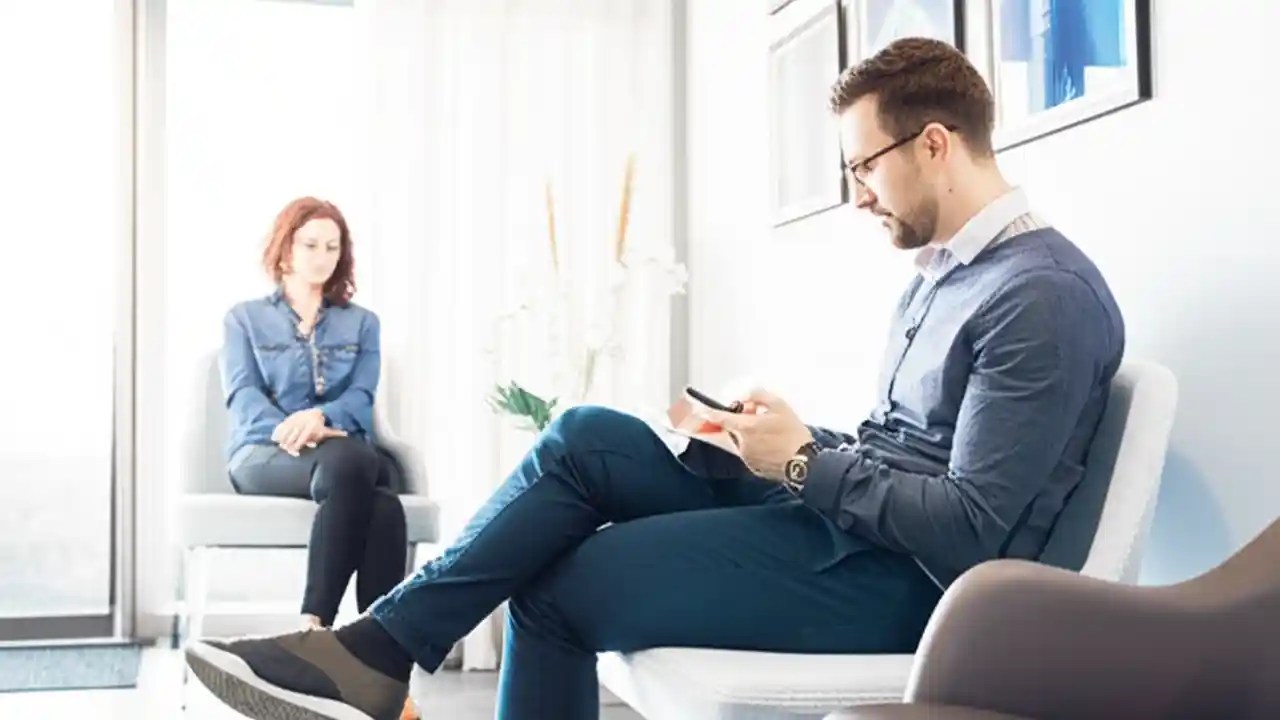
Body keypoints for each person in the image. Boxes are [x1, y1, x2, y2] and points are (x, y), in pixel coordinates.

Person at [186, 38, 1125, 720]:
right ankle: (376, 652)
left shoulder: (1038, 298)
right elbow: (906, 453)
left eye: (864, 166)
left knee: (556, 589)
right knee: (587, 433)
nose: (858, 193)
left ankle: (372, 655)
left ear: (932, 144)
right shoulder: (947, 277)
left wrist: (804, 466)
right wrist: (796, 440)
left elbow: (969, 533)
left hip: (902, 586)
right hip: (844, 527)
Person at [217, 196, 419, 720]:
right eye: (310, 244)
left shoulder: (363, 324)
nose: (322, 256)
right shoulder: (243, 320)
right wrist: (299, 428)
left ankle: (371, 670)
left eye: (333, 246)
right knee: (357, 465)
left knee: (384, 506)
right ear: (285, 249)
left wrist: (322, 418)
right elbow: (243, 399)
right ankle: (326, 638)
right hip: (262, 455)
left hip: (339, 452)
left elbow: (361, 400)